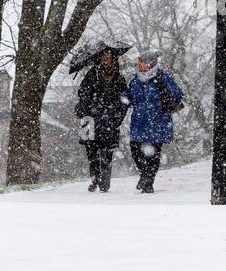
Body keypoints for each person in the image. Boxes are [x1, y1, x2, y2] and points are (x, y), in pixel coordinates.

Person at [125, 50, 185, 193]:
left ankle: (148, 182)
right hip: (139, 122)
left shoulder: (163, 77)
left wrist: (164, 87)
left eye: (141, 62)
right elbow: (129, 98)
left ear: (149, 64)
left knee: (153, 154)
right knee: (135, 150)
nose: (138, 64)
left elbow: (177, 94)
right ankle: (145, 175)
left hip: (158, 122)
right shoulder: (135, 80)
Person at [74, 47, 130, 192]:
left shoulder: (119, 78)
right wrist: (89, 101)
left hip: (109, 120)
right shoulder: (92, 74)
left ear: (113, 60)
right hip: (89, 119)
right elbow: (82, 92)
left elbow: (124, 101)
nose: (106, 61)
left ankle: (104, 181)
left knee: (107, 152)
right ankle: (94, 179)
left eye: (108, 58)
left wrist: (116, 117)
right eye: (103, 58)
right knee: (91, 152)